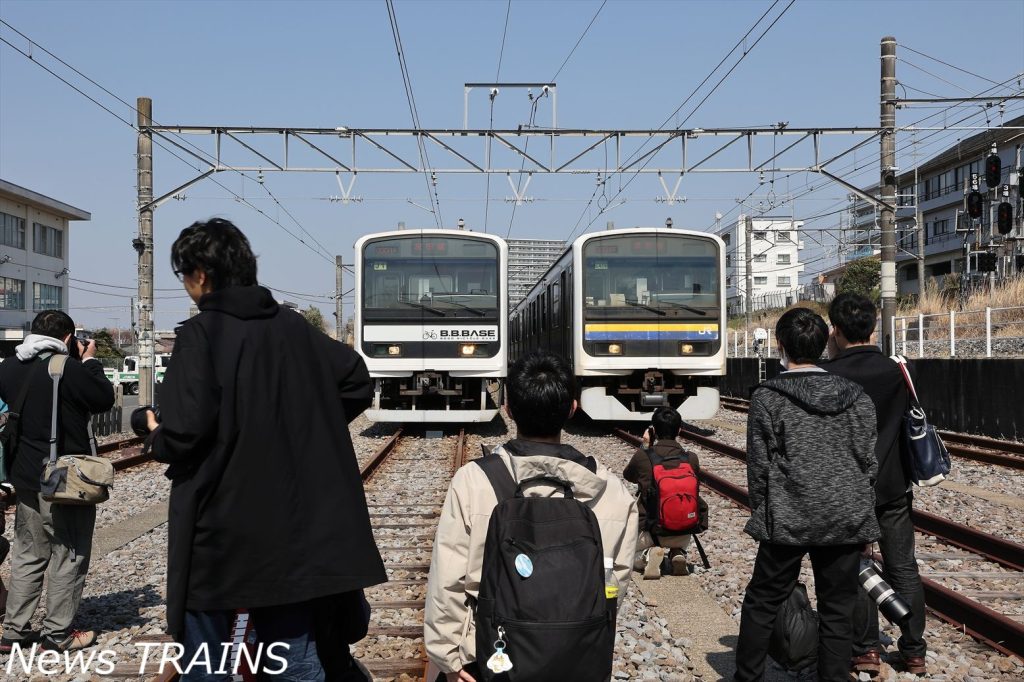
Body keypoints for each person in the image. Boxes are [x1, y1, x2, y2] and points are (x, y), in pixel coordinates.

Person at [139, 218, 385, 681]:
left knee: (207, 660)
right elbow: (355, 378)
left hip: (222, 538)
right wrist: (307, 426)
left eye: (185, 276)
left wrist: (153, 432)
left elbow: (183, 433)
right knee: (295, 658)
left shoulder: (201, 335)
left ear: (202, 276)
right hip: (297, 536)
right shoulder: (294, 328)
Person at [424, 350, 638, 681]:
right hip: (578, 656)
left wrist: (450, 656)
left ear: (508, 409)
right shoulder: (613, 492)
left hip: (491, 656)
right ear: (571, 409)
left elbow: (448, 580)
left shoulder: (474, 481)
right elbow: (614, 585)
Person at [735, 308, 880, 682]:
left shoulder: (769, 398)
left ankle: (748, 676)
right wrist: (864, 519)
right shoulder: (857, 397)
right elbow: (868, 462)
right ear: (824, 344)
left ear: (781, 346)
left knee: (763, 601)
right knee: (837, 607)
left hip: (788, 516)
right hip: (845, 515)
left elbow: (759, 467)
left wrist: (763, 513)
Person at [823, 292, 927, 677]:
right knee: (904, 567)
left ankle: (866, 649)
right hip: (894, 486)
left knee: (857, 566)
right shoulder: (899, 371)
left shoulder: (829, 376)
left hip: (848, 488)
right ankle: (914, 649)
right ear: (873, 327)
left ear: (835, 330)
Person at [0, 310, 115, 652]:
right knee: (70, 551)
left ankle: (14, 632)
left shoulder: (7, 367)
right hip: (63, 479)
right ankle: (57, 634)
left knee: (28, 554)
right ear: (66, 338)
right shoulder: (68, 368)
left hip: (24, 476)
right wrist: (90, 362)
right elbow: (103, 398)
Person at [623, 406, 702, 579]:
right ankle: (677, 553)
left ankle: (647, 556)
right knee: (677, 536)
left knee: (628, 555)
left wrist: (645, 446)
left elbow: (628, 475)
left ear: (653, 431)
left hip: (651, 533)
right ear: (679, 430)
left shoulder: (643, 457)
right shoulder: (691, 459)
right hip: (684, 531)